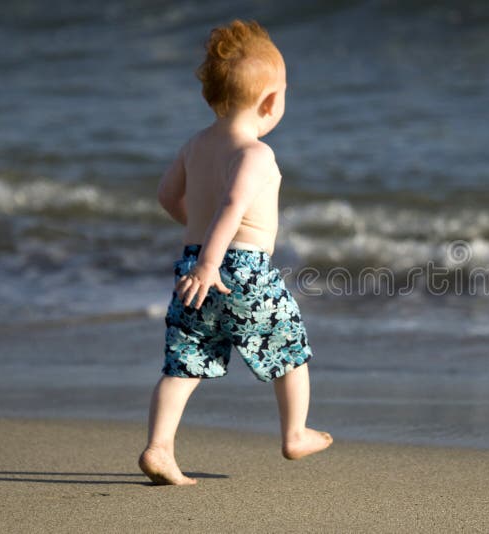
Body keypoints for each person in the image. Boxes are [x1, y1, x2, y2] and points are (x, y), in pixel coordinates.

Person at [138, 19, 332, 486]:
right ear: (270, 101)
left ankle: (159, 447)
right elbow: (233, 205)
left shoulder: (195, 145)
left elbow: (167, 196)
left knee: (185, 362)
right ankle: (295, 433)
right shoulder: (256, 154)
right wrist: (214, 260)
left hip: (194, 270)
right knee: (289, 348)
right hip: (242, 270)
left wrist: (201, 249)